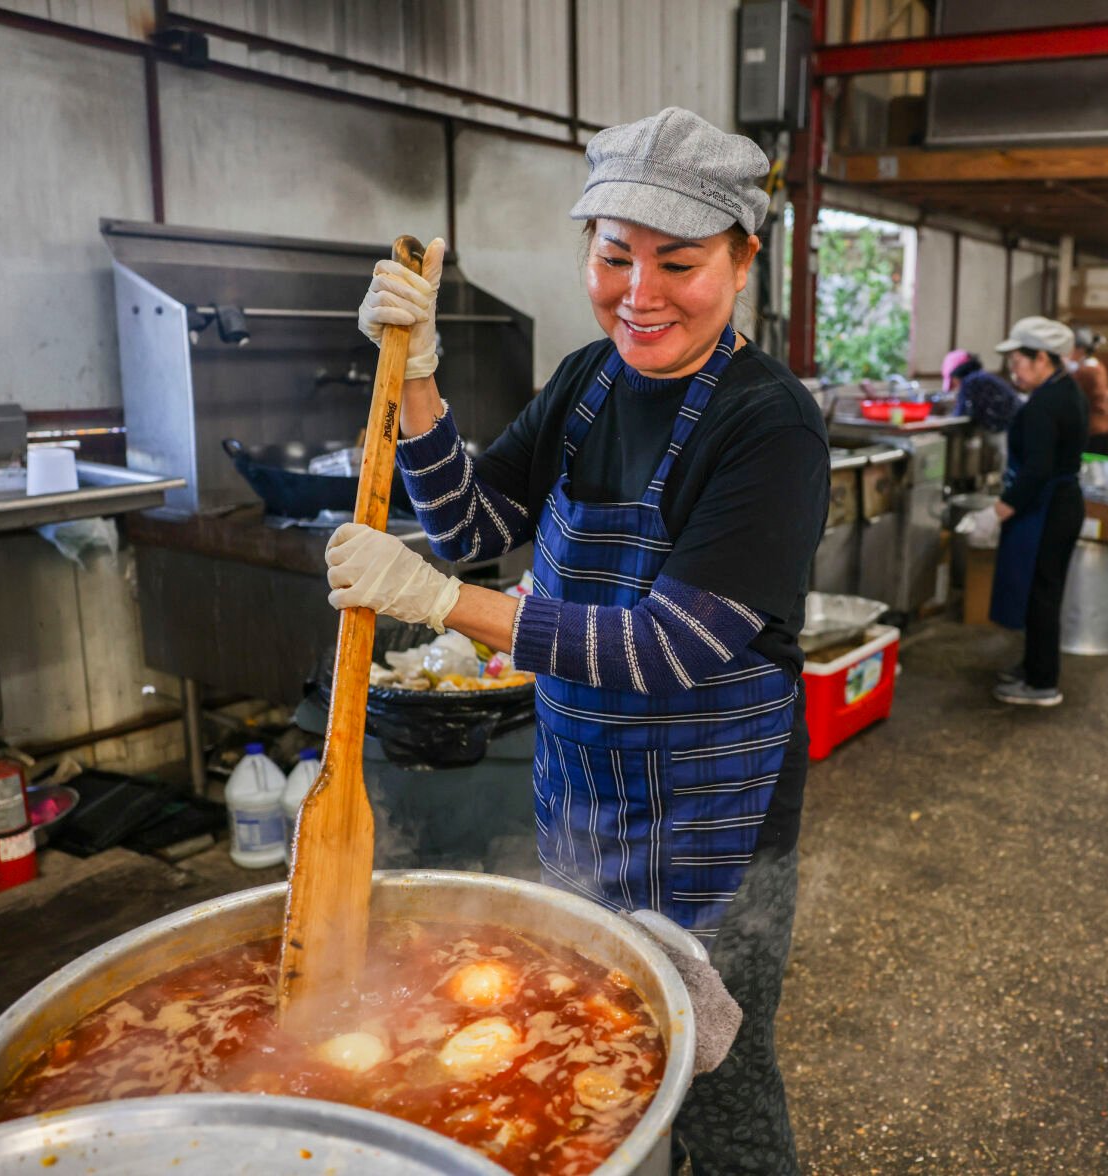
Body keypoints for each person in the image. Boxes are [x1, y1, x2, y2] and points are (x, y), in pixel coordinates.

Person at [327, 107, 826, 1174]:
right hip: (581, 797)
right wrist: (416, 377)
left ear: (742, 260)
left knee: (718, 1077)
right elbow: (472, 529)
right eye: (613, 257)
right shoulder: (584, 384)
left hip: (714, 818)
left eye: (678, 262)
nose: (638, 295)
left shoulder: (766, 425)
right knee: (594, 1046)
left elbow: (663, 651)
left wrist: (433, 599)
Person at [988, 317, 1088, 708]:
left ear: (1042, 358)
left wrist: (1002, 507)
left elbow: (1037, 469)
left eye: (1018, 361)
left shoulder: (1046, 404)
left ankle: (1043, 682)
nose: (1013, 370)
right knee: (1039, 590)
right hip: (1060, 502)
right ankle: (1032, 665)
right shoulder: (1065, 389)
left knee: (1042, 594)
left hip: (1049, 507)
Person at [1071, 326, 1108, 455]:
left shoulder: (1086, 370)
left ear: (1079, 350)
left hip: (1093, 429)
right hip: (1101, 427)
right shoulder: (1096, 365)